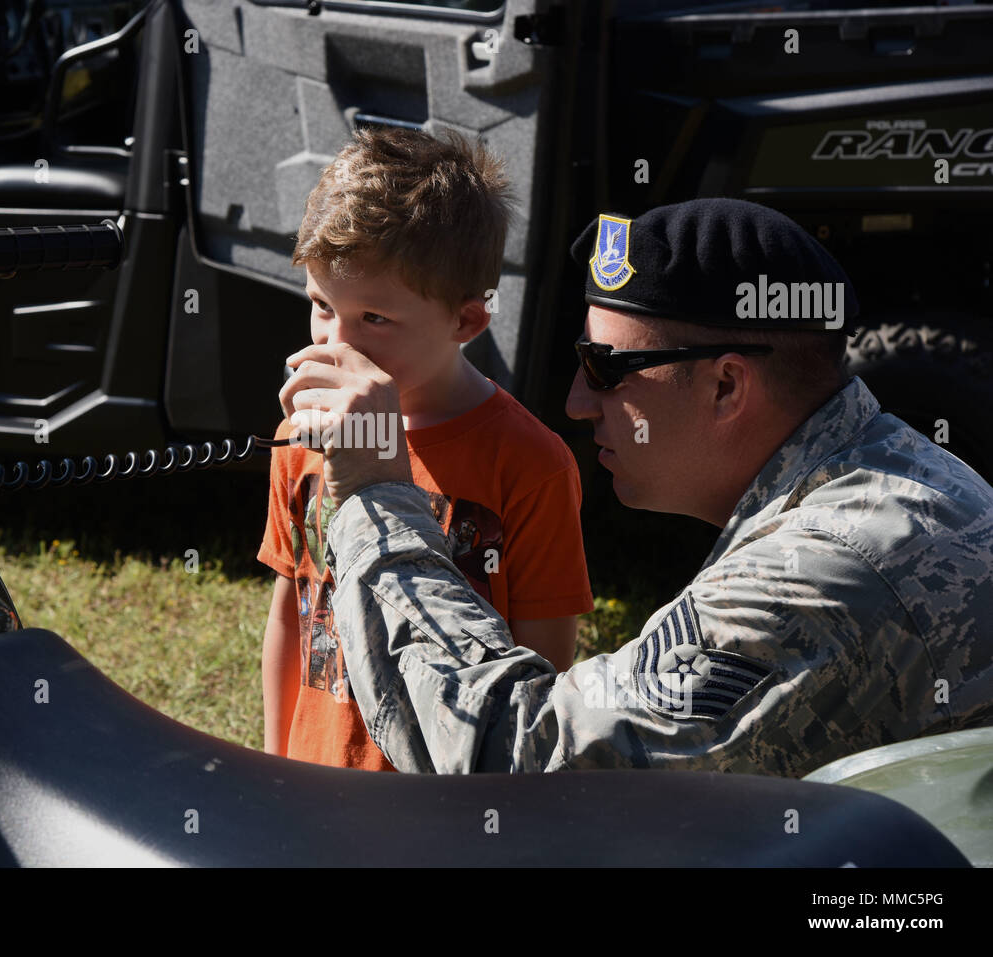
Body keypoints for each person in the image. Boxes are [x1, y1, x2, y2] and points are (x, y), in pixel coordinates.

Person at [279, 197, 993, 777]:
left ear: (725, 384)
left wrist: (374, 492)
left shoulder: (819, 574)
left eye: (605, 368)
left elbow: (513, 756)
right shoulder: (894, 472)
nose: (577, 404)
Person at [258, 126, 595, 769]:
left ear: (465, 321)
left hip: (449, 804)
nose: (339, 343)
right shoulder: (307, 429)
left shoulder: (531, 464)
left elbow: (544, 665)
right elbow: (289, 618)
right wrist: (277, 771)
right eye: (322, 305)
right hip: (315, 791)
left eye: (374, 320)